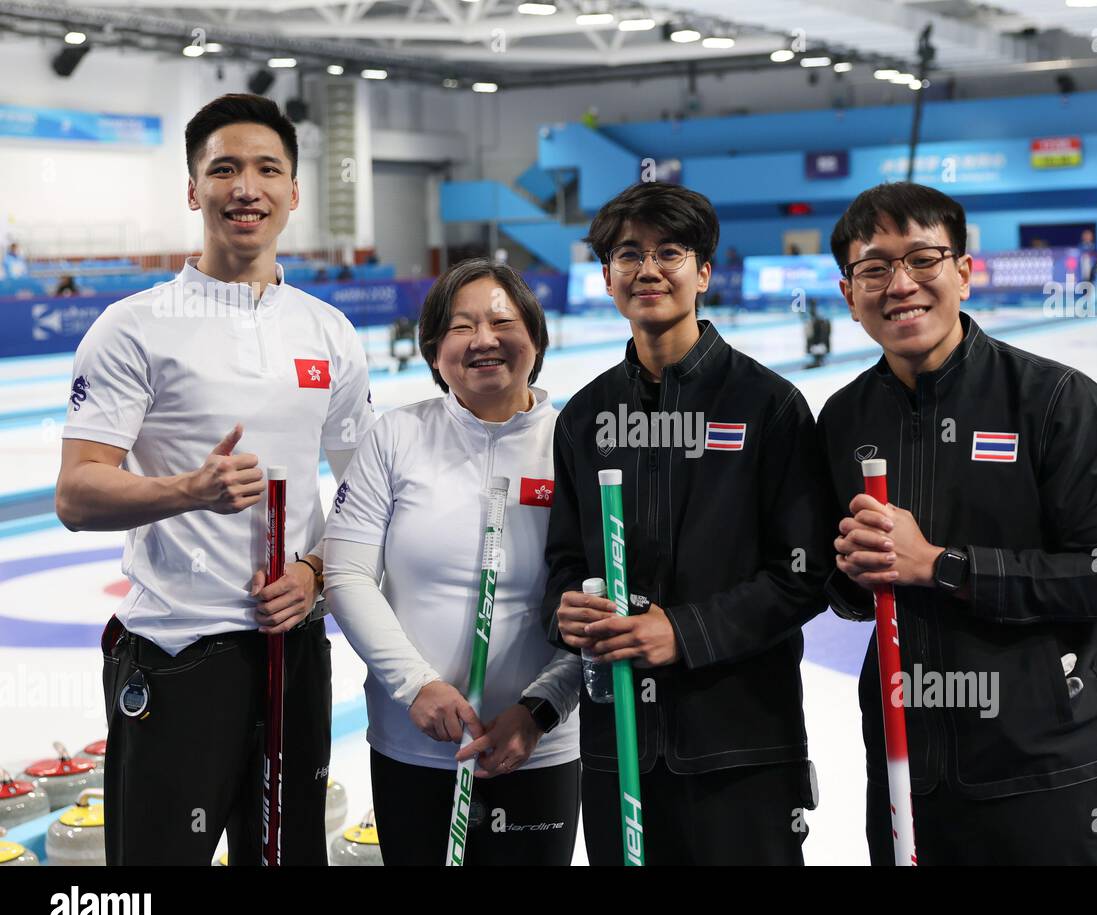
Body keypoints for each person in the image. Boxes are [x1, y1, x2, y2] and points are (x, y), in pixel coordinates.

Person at [55, 93, 374, 865]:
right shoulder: (133, 326)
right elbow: (76, 491)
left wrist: (316, 572)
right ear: (193, 190)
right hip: (175, 654)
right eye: (223, 169)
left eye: (268, 169)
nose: (246, 188)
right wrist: (185, 491)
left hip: (291, 651)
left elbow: (369, 493)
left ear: (295, 193)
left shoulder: (328, 330)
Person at [817, 181, 1097, 865]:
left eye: (923, 259)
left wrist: (941, 564)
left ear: (964, 273)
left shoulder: (1056, 401)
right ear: (850, 296)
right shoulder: (843, 420)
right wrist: (850, 571)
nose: (900, 283)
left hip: (1045, 772)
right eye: (874, 268)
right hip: (911, 773)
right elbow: (848, 595)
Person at [542, 181, 832, 866]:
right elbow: (561, 561)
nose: (647, 269)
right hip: (620, 748)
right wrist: (569, 611)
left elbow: (803, 575)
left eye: (669, 252)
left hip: (740, 746)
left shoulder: (768, 406)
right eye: (627, 254)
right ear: (607, 276)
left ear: (703, 272)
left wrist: (685, 631)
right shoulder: (584, 418)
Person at [323, 259, 581, 866]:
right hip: (413, 745)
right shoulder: (396, 437)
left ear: (536, 339)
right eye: (461, 327)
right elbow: (347, 574)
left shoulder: (572, 443)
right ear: (434, 350)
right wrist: (416, 685)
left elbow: (600, 597)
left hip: (537, 746)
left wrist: (540, 710)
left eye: (501, 321)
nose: (484, 339)